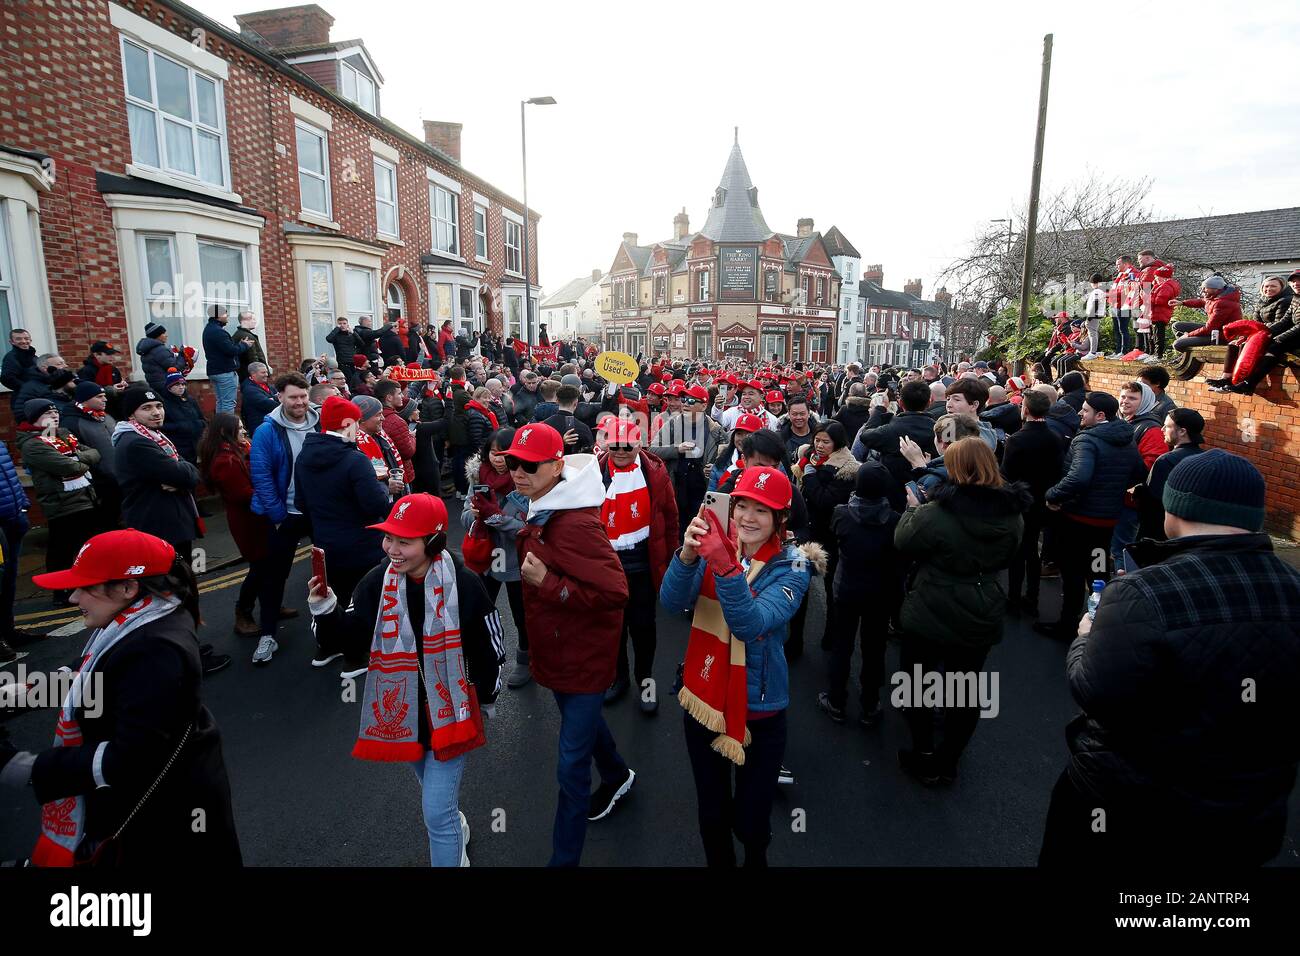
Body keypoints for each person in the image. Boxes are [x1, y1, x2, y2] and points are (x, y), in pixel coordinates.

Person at [1040, 451, 1300, 867]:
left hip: (1131, 811)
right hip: (1249, 814)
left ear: (1174, 508)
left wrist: (1085, 638)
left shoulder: (1143, 590)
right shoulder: (1293, 586)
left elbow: (1094, 689)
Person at [0, 529, 241, 866]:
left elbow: (132, 758)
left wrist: (21, 767)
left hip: (167, 823)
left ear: (128, 587)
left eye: (86, 587)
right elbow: (90, 675)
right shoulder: (145, 615)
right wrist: (12, 695)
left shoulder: (153, 648)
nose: (73, 598)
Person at [307, 494, 503, 866]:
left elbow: (488, 646)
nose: (392, 549)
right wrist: (326, 608)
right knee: (435, 798)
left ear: (432, 541)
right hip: (403, 716)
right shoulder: (375, 582)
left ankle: (450, 836)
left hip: (452, 714)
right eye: (389, 538)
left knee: (433, 813)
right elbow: (351, 641)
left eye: (404, 541)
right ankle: (455, 823)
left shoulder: (464, 584)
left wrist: (487, 695)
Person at [659, 466, 814, 866]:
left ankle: (756, 857)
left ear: (782, 519)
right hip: (704, 696)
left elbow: (751, 624)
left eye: (762, 510)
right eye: (741, 504)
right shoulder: (717, 546)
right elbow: (672, 602)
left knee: (751, 817)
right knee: (712, 812)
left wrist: (725, 567)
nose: (747, 517)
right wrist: (688, 555)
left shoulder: (794, 565)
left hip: (760, 709)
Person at [504, 423, 635, 866]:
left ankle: (564, 861)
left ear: (558, 466)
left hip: (583, 659)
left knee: (570, 767)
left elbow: (616, 592)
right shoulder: (546, 501)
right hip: (561, 651)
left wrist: (551, 585)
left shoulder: (574, 522)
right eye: (512, 462)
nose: (518, 472)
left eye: (529, 465)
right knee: (584, 724)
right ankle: (617, 774)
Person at [894, 437, 1028, 784]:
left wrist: (912, 509)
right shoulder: (1012, 514)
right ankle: (949, 759)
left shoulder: (936, 513)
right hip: (982, 603)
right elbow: (1011, 552)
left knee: (917, 687)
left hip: (931, 604)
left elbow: (904, 542)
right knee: (965, 691)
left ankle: (923, 752)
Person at [295, 395, 402, 675]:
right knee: (361, 602)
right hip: (361, 545)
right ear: (346, 425)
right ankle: (356, 657)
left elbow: (301, 504)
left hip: (326, 543)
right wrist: (386, 490)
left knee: (333, 598)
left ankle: (328, 647)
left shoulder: (305, 456)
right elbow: (374, 507)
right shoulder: (355, 460)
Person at [1035, 392, 1143, 640]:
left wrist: (1052, 495)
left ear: (1100, 415)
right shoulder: (1127, 438)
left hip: (1078, 519)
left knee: (1072, 572)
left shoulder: (1087, 440)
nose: (1081, 414)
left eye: (1085, 410)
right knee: (1098, 570)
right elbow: (1139, 472)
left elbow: (1079, 477)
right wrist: (1110, 488)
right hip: (1106, 521)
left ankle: (1066, 624)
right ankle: (1100, 622)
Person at [596, 419, 678, 712]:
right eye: (614, 445)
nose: (619, 451)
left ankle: (646, 680)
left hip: (643, 566)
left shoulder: (655, 472)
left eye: (626, 445)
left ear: (638, 444)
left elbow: (670, 519)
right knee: (613, 628)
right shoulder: (593, 471)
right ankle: (619, 678)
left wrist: (671, 563)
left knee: (643, 629)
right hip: (607, 567)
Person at [817, 462, 902, 726]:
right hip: (880, 592)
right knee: (874, 649)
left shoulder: (842, 514)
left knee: (842, 647)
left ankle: (836, 701)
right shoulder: (895, 520)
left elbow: (834, 536)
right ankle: (870, 704)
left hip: (846, 590)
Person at [249, 372, 318, 664]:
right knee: (274, 575)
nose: (300, 402)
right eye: (293, 397)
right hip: (284, 514)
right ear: (280, 397)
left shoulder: (321, 423)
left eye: (303, 396)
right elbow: (261, 475)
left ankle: (331, 627)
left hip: (316, 512)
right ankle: (267, 635)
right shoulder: (267, 431)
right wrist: (277, 515)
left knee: (328, 568)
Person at [463, 427, 532, 688]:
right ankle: (480, 658)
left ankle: (525, 660)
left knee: (521, 614)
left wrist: (495, 517)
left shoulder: (526, 480)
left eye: (503, 453)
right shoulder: (478, 475)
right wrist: (476, 515)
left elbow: (526, 528)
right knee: (479, 609)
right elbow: (464, 515)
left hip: (516, 560)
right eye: (493, 452)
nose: (497, 458)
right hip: (485, 558)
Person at [15, 399, 101, 604]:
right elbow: (69, 467)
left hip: (84, 497)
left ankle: (87, 584)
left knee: (85, 546)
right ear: (35, 419)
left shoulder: (62, 435)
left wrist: (77, 458)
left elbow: (95, 453)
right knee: (61, 549)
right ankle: (60, 592)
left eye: (55, 412)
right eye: (47, 414)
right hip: (61, 502)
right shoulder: (33, 444)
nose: (54, 416)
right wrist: (80, 461)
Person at [199, 414, 271, 637]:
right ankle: (244, 613)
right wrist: (272, 495)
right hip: (247, 521)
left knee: (269, 566)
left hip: (257, 516)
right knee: (259, 568)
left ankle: (272, 606)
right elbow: (242, 494)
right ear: (224, 433)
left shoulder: (239, 450)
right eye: (239, 428)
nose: (244, 431)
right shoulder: (225, 460)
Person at [794, 421, 857, 651]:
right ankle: (795, 639)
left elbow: (824, 500)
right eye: (817, 440)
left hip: (831, 536)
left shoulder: (848, 468)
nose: (819, 446)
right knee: (799, 585)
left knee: (832, 591)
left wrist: (810, 477)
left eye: (825, 442)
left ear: (837, 443)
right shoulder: (806, 457)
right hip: (806, 531)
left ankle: (831, 638)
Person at [1000, 389, 1064, 615]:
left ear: (1025, 409)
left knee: (1018, 552)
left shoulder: (1017, 440)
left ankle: (1014, 596)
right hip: (1043, 501)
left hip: (1020, 501)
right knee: (1033, 553)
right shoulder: (1055, 438)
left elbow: (1006, 474)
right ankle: (1033, 596)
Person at [1133, 408, 1205, 543]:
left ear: (1182, 431)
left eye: (1167, 426)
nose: (1162, 429)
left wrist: (1139, 492)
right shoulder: (1204, 458)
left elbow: (1153, 502)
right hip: (1192, 531)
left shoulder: (1166, 461)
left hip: (1160, 533)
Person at [850, 380, 937, 488]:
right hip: (929, 487)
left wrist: (879, 409)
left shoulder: (890, 430)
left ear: (900, 403)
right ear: (929, 402)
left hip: (894, 490)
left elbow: (865, 436)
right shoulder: (938, 429)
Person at [62, 381, 121, 528]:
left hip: (120, 478)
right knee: (105, 523)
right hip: (98, 483)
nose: (105, 399)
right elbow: (76, 454)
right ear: (84, 399)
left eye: (104, 396)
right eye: (99, 396)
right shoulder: (72, 422)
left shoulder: (106, 416)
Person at [0, 440, 32, 660]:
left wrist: (22, 503)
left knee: (8, 580)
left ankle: (8, 631)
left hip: (12, 519)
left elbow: (9, 474)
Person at [1172, 274, 1242, 353]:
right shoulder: (1215, 296)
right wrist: (1182, 303)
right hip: (1214, 330)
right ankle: (1188, 351)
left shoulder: (1223, 303)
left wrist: (1188, 335)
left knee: (1178, 344)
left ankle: (1193, 357)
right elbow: (1202, 301)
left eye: (1205, 288)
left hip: (1222, 336)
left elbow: (1209, 328)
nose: (1203, 290)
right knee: (1177, 326)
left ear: (1215, 289)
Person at [202, 305, 249, 414]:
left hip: (215, 370)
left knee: (221, 402)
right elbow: (231, 350)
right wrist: (244, 345)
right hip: (224, 371)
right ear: (218, 316)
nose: (227, 315)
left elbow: (225, 348)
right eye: (225, 313)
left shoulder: (209, 329)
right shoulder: (218, 331)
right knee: (228, 403)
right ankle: (227, 429)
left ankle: (220, 428)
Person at [160, 370, 206, 465]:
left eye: (183, 384)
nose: (181, 387)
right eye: (177, 385)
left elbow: (202, 418)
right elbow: (161, 425)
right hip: (178, 444)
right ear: (169, 387)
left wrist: (200, 424)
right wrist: (180, 426)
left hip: (195, 442)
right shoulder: (164, 404)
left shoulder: (190, 400)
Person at [2, 327, 40, 413]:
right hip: (23, 400)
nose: (23, 341)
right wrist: (28, 388)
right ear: (11, 342)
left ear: (30, 340)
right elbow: (7, 378)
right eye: (18, 339)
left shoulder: (34, 357)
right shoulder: (11, 357)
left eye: (26, 338)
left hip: (37, 398)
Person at [135, 322, 177, 394]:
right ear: (157, 335)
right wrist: (183, 357)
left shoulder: (147, 349)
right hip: (167, 386)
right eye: (163, 333)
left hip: (155, 386)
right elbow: (174, 367)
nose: (166, 335)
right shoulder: (159, 349)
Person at [240, 362, 278, 435]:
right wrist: (278, 399)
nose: (266, 375)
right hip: (260, 429)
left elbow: (281, 396)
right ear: (253, 374)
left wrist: (274, 398)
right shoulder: (249, 390)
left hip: (271, 425)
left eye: (267, 372)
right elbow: (269, 405)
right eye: (263, 372)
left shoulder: (269, 387)